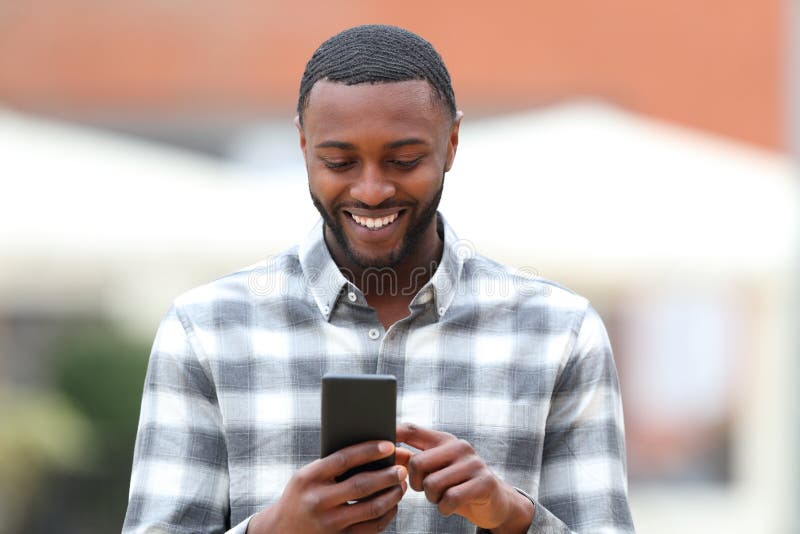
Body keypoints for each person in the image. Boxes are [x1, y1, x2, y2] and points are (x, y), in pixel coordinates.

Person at [123, 24, 635, 534]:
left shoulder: (559, 333)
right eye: (339, 161)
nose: (371, 190)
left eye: (404, 160)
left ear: (452, 143)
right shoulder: (205, 330)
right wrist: (275, 530)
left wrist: (511, 516)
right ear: (303, 145)